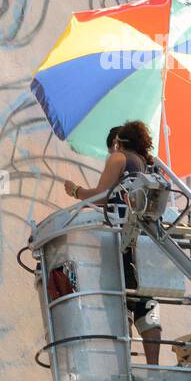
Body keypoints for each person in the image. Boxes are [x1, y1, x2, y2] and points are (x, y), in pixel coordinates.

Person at [63, 121, 163, 366]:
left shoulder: (119, 158)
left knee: (115, 297)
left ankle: (123, 366)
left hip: (121, 237)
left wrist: (75, 191)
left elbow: (101, 196)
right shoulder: (150, 166)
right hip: (147, 242)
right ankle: (153, 367)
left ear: (117, 142)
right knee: (145, 303)